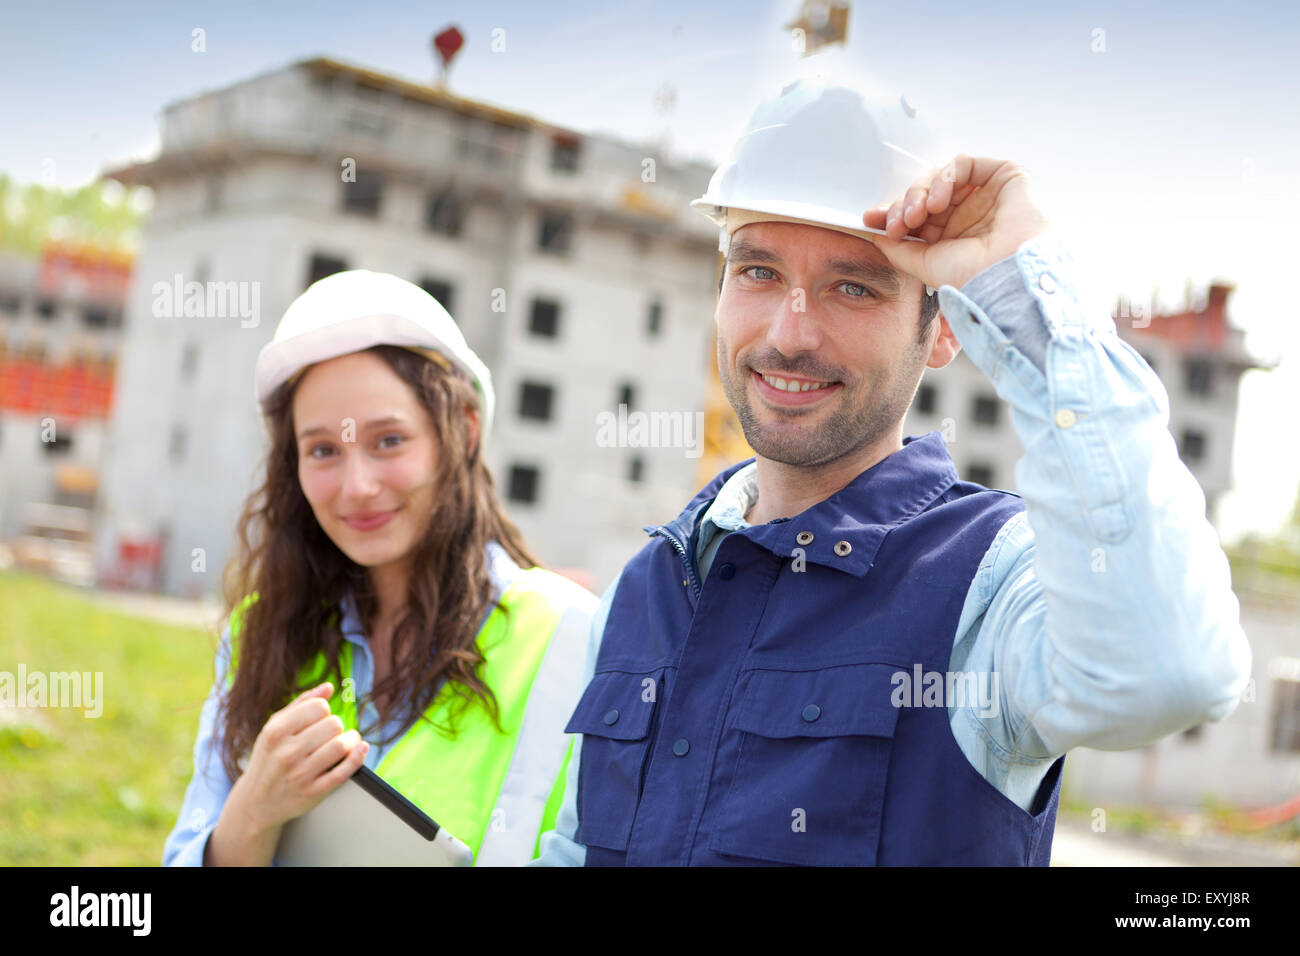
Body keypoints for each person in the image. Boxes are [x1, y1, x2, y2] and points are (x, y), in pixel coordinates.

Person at [534, 82, 1252, 866]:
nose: (789, 333)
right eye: (759, 273)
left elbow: (1167, 675)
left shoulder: (988, 580)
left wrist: (1017, 278)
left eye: (854, 287)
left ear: (941, 332)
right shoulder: (647, 590)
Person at [163, 270, 596, 866]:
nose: (357, 486)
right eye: (323, 451)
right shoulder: (256, 636)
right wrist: (254, 811)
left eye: (389, 440)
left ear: (463, 433)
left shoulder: (574, 639)